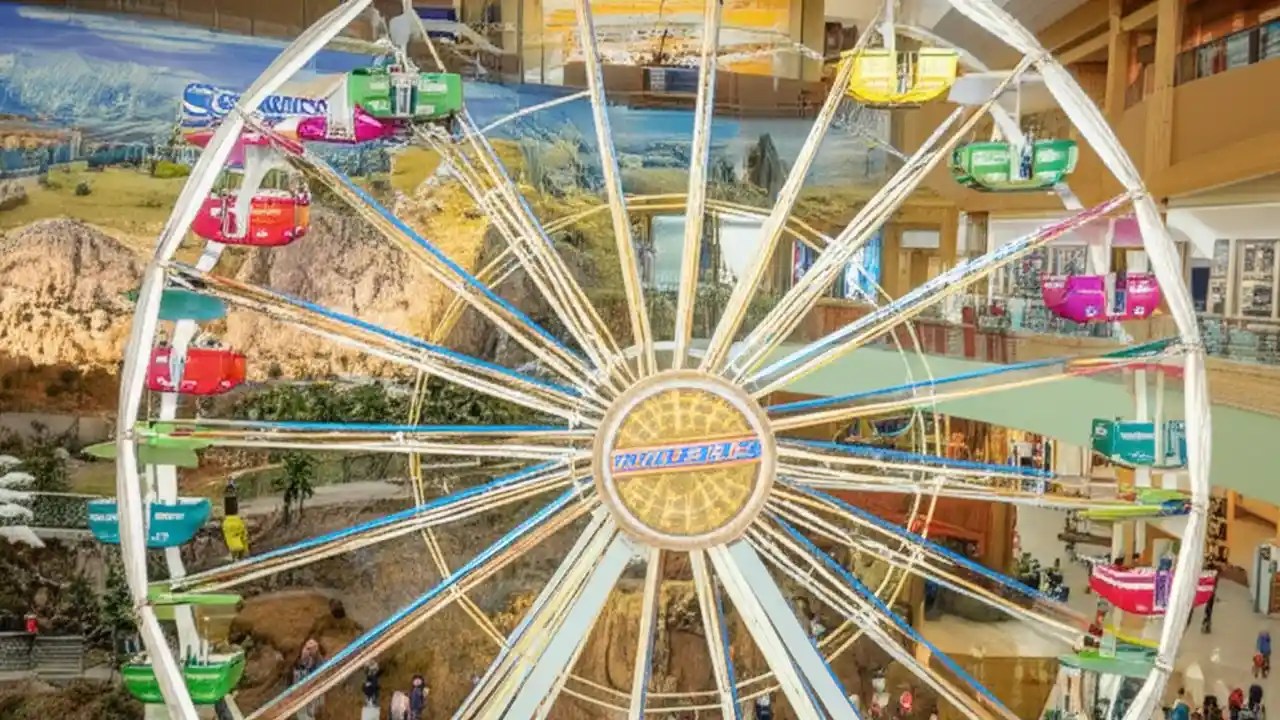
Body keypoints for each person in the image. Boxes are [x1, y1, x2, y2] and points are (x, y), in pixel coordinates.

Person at [292, 638, 324, 720]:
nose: (309, 651)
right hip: (302, 694)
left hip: (314, 692)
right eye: (307, 648)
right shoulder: (300, 661)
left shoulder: (319, 661)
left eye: (311, 649)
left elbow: (321, 672)